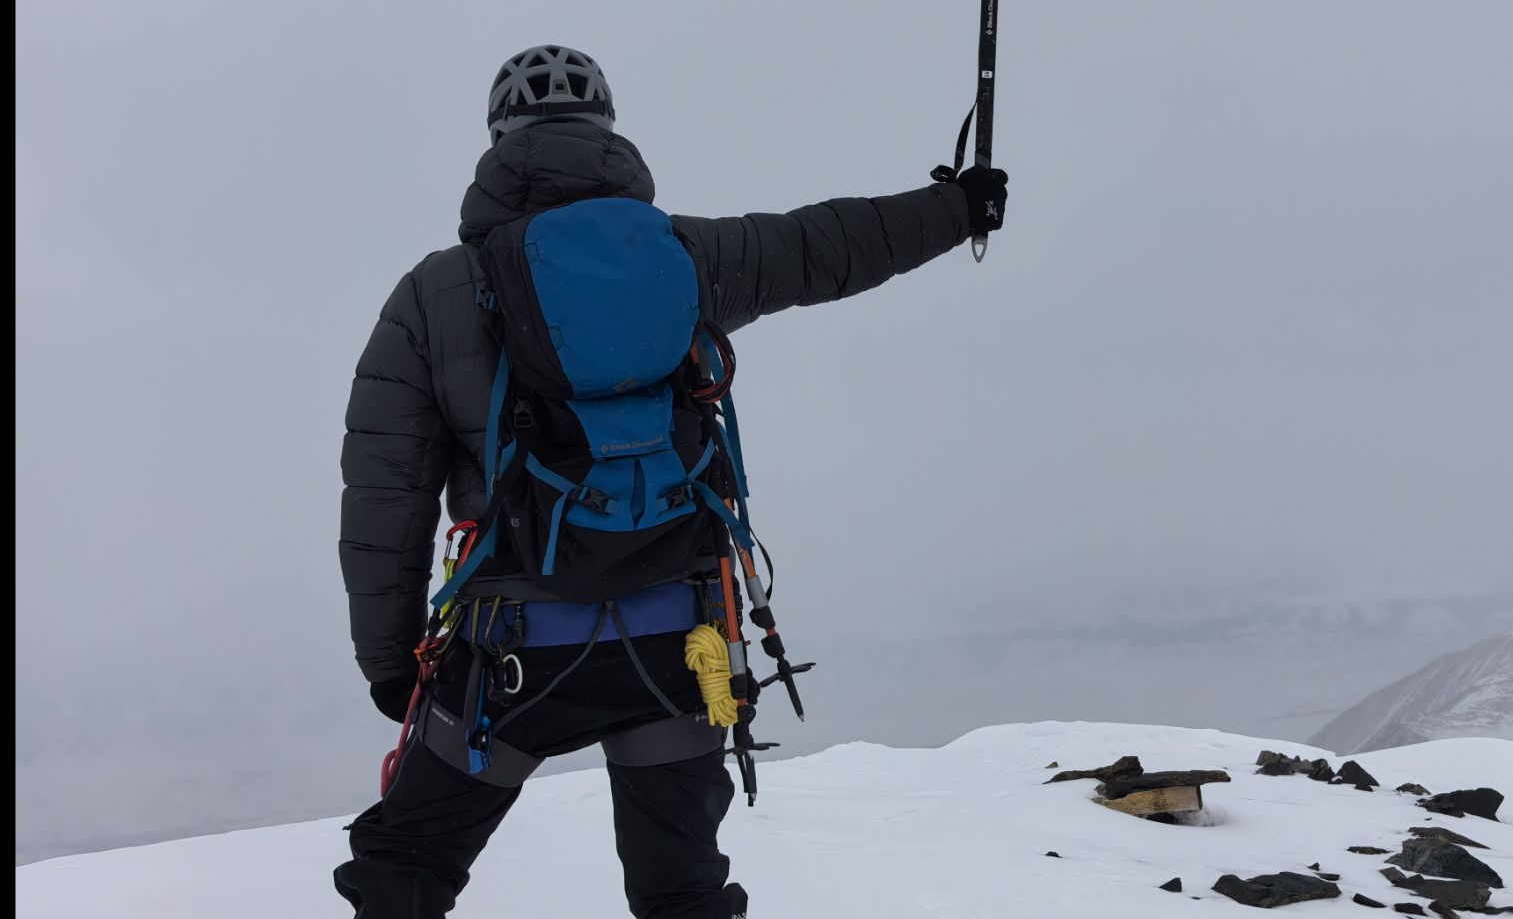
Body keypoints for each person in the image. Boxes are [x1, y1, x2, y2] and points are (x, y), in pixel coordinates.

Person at [334, 44, 1008, 918]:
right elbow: (828, 245)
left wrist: (391, 664)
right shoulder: (686, 256)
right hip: (677, 642)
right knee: (680, 894)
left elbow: (384, 500)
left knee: (406, 867)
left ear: (498, 140)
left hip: (511, 655)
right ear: (608, 130)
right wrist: (958, 206)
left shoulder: (432, 295)